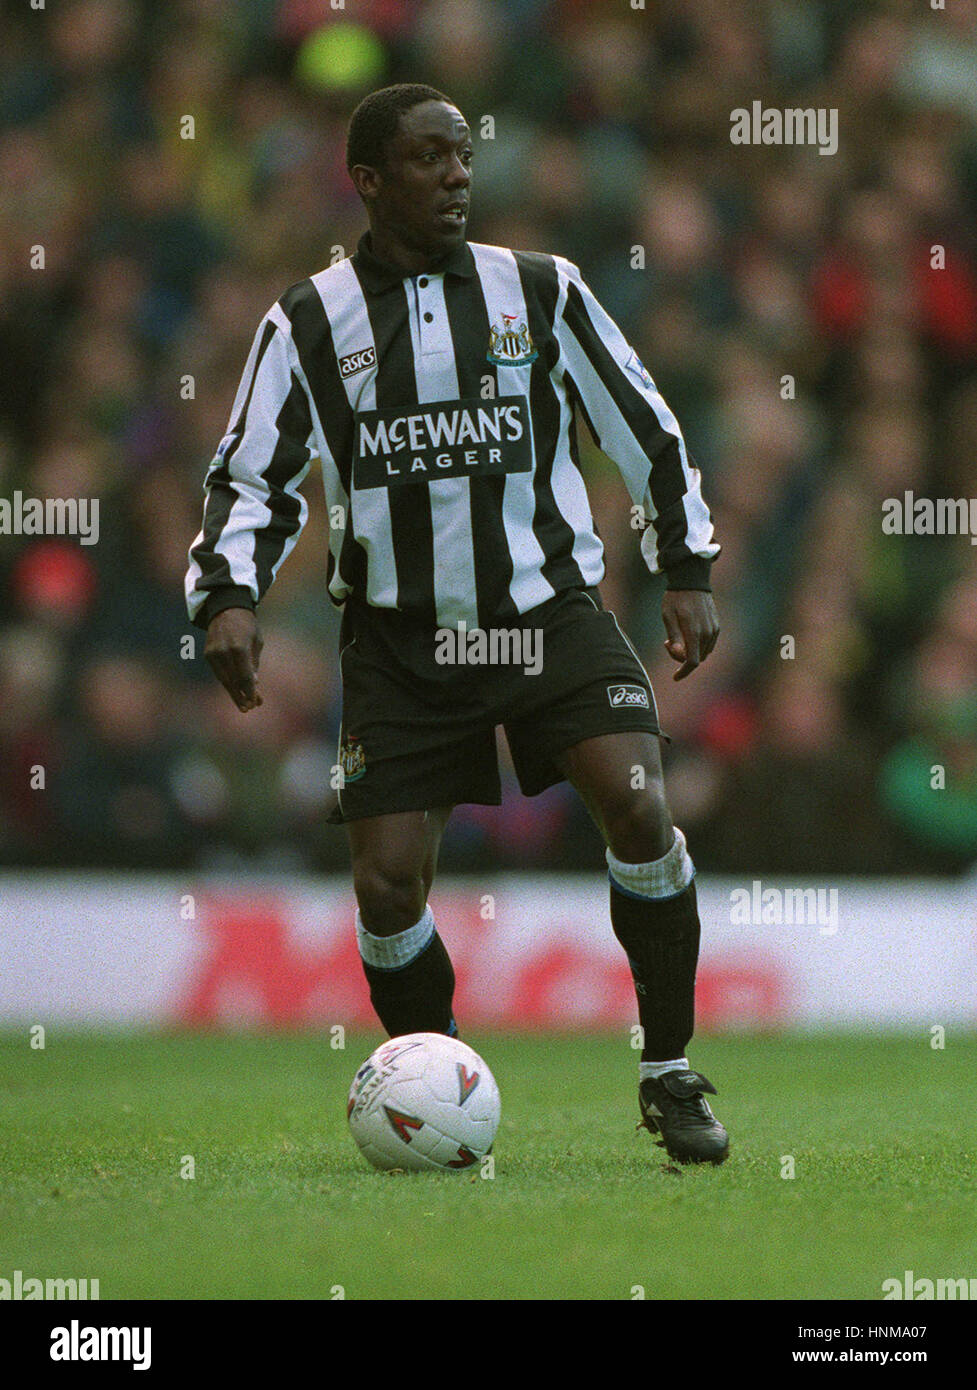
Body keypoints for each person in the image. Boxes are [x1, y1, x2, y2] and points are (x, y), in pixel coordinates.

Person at [186, 84, 728, 1164]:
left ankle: (668, 1071)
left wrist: (685, 562)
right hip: (400, 639)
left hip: (545, 612)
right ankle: (434, 1097)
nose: (455, 176)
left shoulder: (540, 288)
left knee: (634, 796)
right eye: (428, 160)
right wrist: (228, 594)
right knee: (387, 882)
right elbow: (251, 474)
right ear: (370, 181)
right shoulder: (306, 319)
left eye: (462, 158)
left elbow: (644, 426)